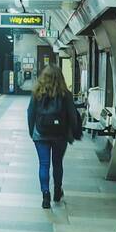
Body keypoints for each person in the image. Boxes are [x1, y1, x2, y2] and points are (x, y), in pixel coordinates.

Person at [26, 64, 82, 209]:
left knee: (44, 164)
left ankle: (45, 195)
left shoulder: (36, 93)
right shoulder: (66, 94)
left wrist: (32, 131)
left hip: (40, 133)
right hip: (60, 134)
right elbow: (72, 116)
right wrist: (73, 132)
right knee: (57, 164)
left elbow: (30, 113)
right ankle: (57, 191)